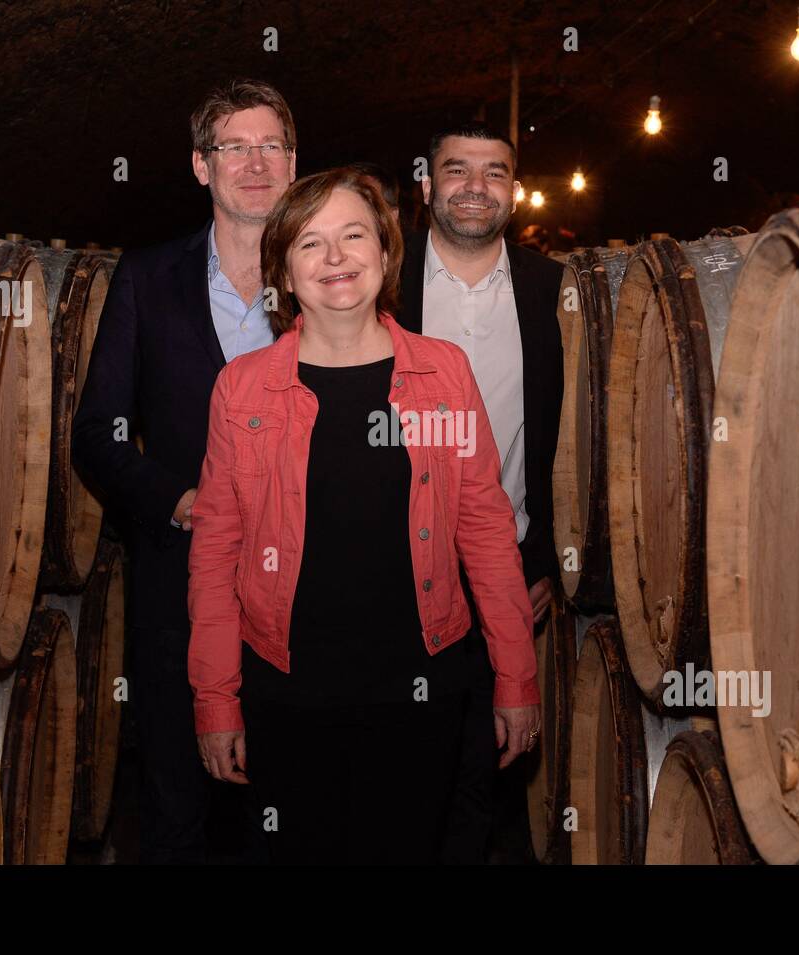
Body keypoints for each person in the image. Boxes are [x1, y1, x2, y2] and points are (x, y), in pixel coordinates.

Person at [187, 167, 541, 864]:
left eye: (354, 236)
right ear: (283, 273)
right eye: (310, 244)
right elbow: (215, 553)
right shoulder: (244, 388)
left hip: (419, 691)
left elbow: (486, 532)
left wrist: (516, 678)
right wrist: (215, 698)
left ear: (384, 252)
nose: (336, 259)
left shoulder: (443, 376)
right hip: (285, 691)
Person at [71, 77, 298, 864]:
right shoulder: (146, 278)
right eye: (235, 146)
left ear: (294, 163)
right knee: (178, 814)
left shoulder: (332, 281)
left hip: (306, 594)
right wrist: (177, 500)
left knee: (290, 814)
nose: (255, 162)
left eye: (271, 145)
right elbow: (95, 433)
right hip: (178, 591)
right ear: (202, 167)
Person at [399, 122, 566, 864]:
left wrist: (549, 560)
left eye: (495, 172)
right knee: (395, 774)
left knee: (485, 773)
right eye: (456, 169)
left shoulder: (553, 290)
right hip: (392, 567)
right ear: (426, 184)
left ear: (515, 190)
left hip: (508, 569)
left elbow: (577, 434)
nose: (476, 186)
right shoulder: (381, 280)